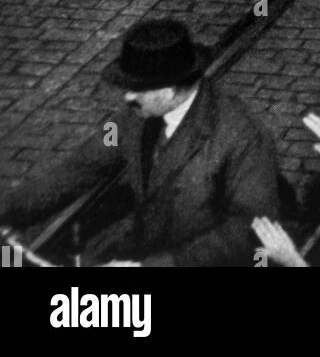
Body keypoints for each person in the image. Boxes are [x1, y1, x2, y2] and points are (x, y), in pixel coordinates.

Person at [0, 18, 283, 267]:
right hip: (140, 246)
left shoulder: (242, 135)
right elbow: (78, 170)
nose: (126, 97)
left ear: (169, 92)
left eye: (137, 89)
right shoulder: (135, 119)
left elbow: (248, 230)